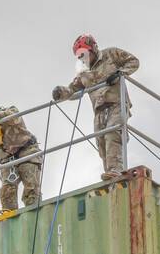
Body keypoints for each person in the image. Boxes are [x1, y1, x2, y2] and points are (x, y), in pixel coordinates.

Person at [52, 34, 140, 181]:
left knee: (112, 133)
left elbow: (133, 62)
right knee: (101, 142)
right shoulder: (84, 73)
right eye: (79, 56)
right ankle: (110, 174)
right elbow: (72, 89)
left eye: (84, 54)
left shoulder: (111, 54)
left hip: (116, 103)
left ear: (92, 49)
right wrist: (60, 93)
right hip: (99, 111)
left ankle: (116, 170)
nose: (82, 58)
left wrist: (120, 74)